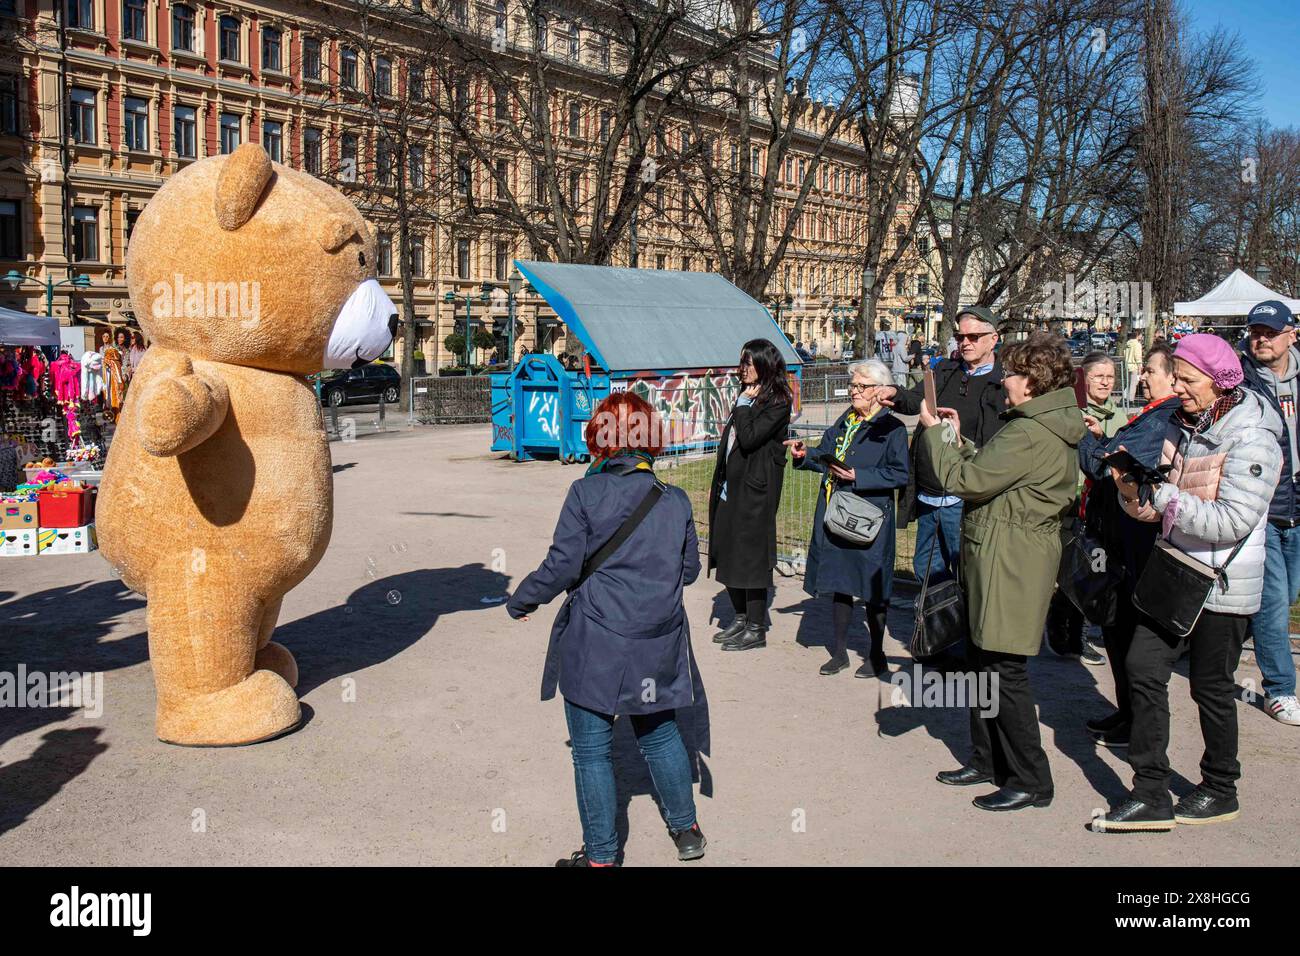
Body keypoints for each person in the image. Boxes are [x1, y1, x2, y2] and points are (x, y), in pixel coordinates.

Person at [1090, 334, 1281, 832]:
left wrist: (1166, 497)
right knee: (1142, 669)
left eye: (1187, 379)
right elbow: (1165, 505)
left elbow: (1232, 520)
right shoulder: (1187, 424)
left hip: (1223, 583)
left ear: (1219, 383)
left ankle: (1220, 787)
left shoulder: (1254, 436)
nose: (1177, 387)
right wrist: (1136, 495)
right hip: (1174, 572)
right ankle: (1150, 793)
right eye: (1174, 376)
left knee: (1211, 689)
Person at [507, 392, 707, 866]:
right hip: (657, 639)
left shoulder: (585, 492)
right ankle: (687, 830)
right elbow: (691, 570)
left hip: (597, 640)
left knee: (591, 751)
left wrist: (523, 599)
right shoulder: (674, 499)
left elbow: (562, 565)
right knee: (659, 735)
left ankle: (600, 856)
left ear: (601, 435)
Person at [920, 332, 1083, 811]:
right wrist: (956, 438)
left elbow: (965, 481)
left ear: (1030, 382)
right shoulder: (1035, 425)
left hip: (1011, 560)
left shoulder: (1030, 431)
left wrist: (933, 434)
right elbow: (993, 469)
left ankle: (1031, 780)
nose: (1003, 381)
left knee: (1003, 673)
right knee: (984, 665)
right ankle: (988, 758)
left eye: (1011, 373)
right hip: (1000, 553)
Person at [1076, 344, 1182, 749]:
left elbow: (1104, 464)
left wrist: (1090, 440)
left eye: (1150, 370)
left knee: (1131, 636)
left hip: (1135, 543)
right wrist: (1104, 439)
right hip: (1118, 539)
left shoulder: (1164, 417)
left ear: (1172, 377)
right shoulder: (1154, 412)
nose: (1141, 376)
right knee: (1117, 631)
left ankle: (1138, 727)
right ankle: (1126, 715)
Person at [784, 359, 909, 677]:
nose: (853, 390)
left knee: (873, 587)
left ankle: (876, 654)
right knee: (840, 584)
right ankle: (839, 652)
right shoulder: (846, 420)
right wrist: (804, 453)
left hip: (870, 518)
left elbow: (898, 474)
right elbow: (825, 452)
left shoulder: (891, 428)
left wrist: (859, 475)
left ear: (880, 390)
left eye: (861, 386)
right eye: (853, 385)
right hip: (837, 512)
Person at [881, 307, 1006, 586]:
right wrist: (895, 393)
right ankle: (931, 628)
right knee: (926, 571)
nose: (965, 342)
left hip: (966, 494)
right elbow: (916, 400)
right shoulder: (944, 370)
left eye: (974, 336)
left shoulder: (1004, 383)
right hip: (930, 490)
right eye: (960, 336)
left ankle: (964, 627)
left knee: (965, 572)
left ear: (993, 338)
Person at [708, 338, 793, 652]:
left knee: (752, 559)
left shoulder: (779, 400)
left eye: (748, 363)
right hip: (732, 487)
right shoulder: (748, 394)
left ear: (764, 365)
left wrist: (743, 405)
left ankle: (756, 627)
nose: (742, 369)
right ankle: (740, 618)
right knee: (727, 550)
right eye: (741, 362)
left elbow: (749, 438)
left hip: (756, 490)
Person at [1239, 300, 1300, 726]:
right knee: (1274, 601)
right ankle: (1280, 690)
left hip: (1298, 504)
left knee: (1289, 595)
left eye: (1270, 332)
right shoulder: (1240, 380)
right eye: (1255, 331)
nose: (1261, 339)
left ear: (1291, 334)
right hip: (1263, 505)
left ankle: (1223, 636)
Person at [1046, 351, 1120, 666]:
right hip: (1069, 504)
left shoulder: (1120, 416)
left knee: (1095, 571)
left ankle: (1081, 634)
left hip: (1103, 508)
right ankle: (1065, 632)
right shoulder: (1070, 412)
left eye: (1110, 377)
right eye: (1098, 376)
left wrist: (1105, 438)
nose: (1105, 382)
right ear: (1083, 379)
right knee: (1071, 571)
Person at [1123, 331, 1144, 405]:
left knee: (1128, 383)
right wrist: (1140, 367)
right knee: (1133, 384)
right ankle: (1131, 400)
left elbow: (1125, 354)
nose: (1141, 336)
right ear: (1137, 335)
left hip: (1127, 365)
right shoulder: (1137, 344)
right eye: (1141, 335)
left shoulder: (1128, 344)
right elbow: (1137, 356)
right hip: (1134, 365)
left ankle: (1126, 398)